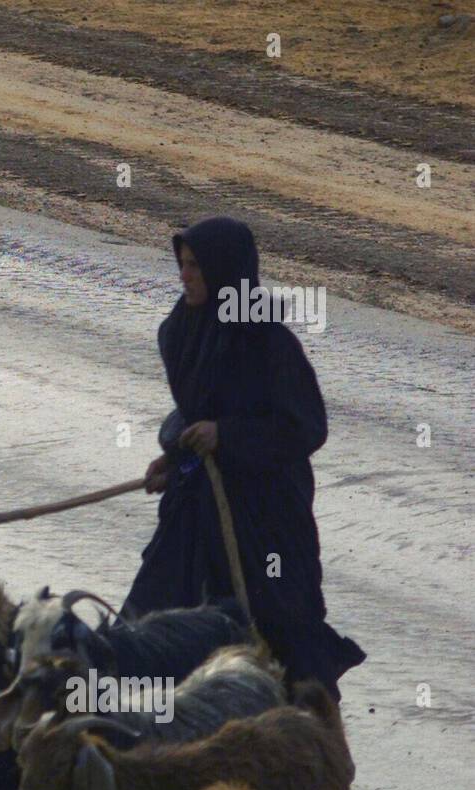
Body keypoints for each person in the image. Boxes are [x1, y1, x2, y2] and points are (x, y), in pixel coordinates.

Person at [124, 216, 365, 699]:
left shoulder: (267, 341)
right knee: (157, 619)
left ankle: (312, 738)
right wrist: (175, 459)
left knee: (279, 622)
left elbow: (306, 426)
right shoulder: (181, 331)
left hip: (266, 516)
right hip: (199, 510)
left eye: (196, 266)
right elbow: (195, 412)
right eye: (183, 264)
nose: (185, 276)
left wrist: (228, 437)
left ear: (225, 271)